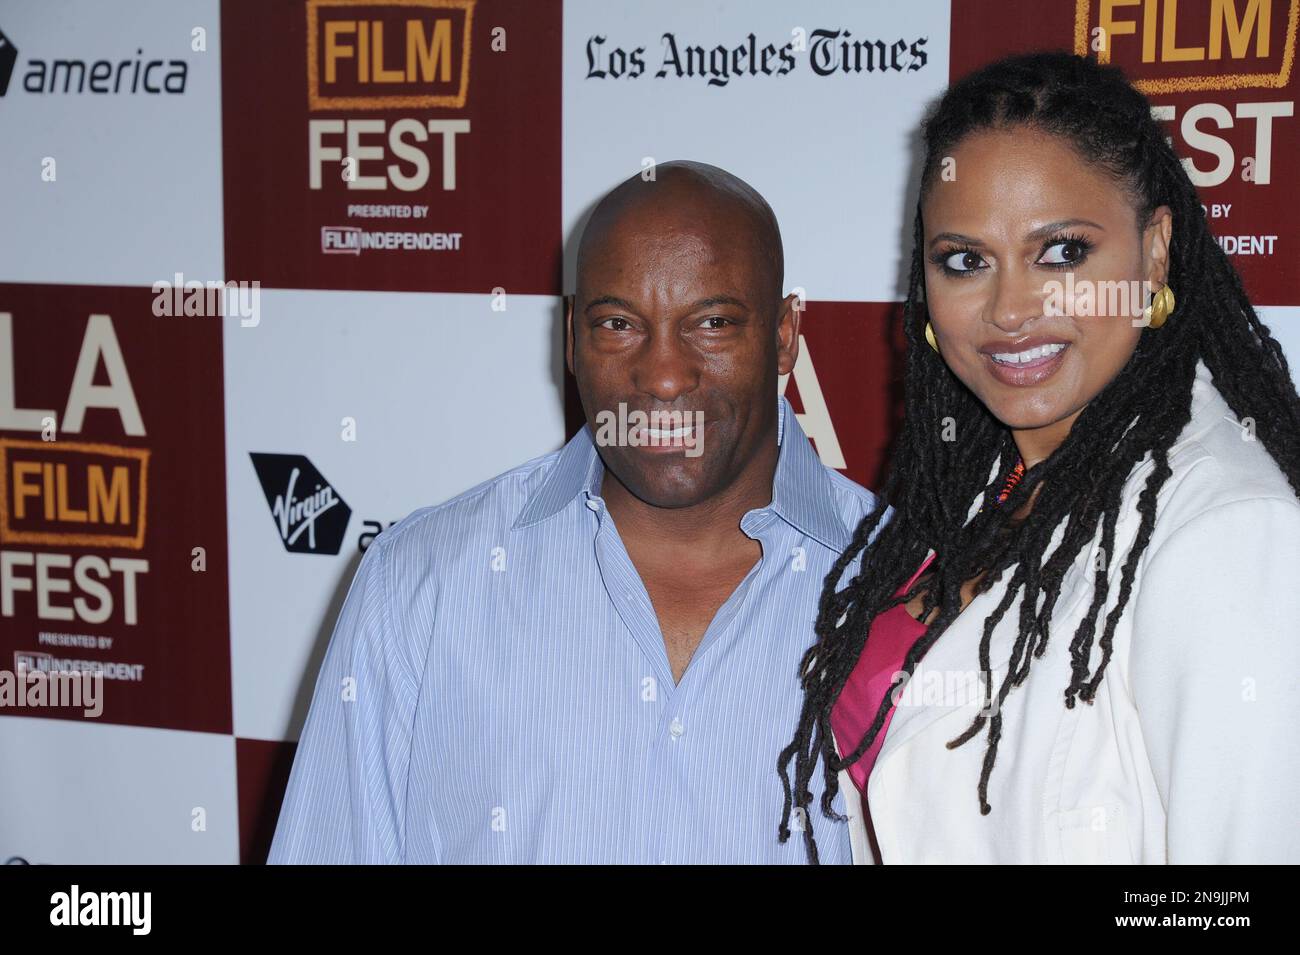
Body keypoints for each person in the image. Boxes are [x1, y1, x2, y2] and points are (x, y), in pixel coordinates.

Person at [269, 161, 880, 863]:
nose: (663, 376)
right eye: (619, 323)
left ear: (783, 335)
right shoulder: (421, 583)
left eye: (711, 322)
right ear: (571, 339)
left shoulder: (909, 586)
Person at [779, 51, 1300, 864]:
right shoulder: (978, 492)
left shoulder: (1227, 532)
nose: (1010, 311)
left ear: (1155, 250)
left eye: (1061, 252)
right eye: (965, 260)